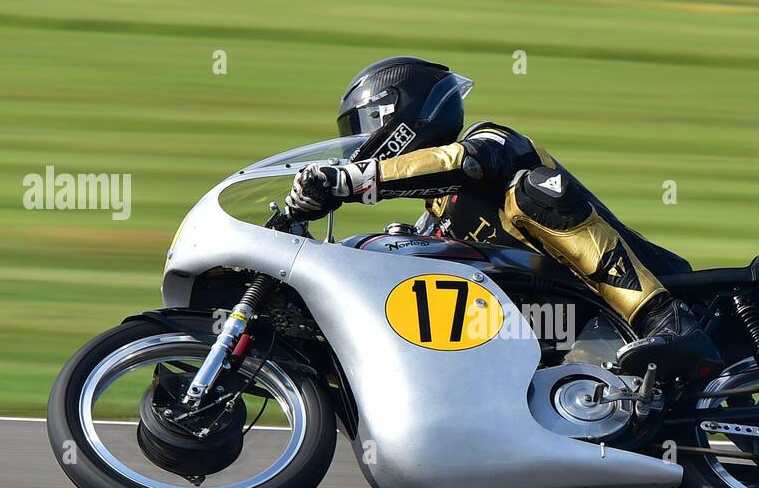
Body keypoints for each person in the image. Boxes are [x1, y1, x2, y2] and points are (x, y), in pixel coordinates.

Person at [286, 56, 721, 378]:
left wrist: (349, 179)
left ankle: (665, 318)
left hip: (644, 291)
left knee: (532, 191)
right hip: (561, 329)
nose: (360, 143)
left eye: (364, 126)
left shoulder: (490, 141)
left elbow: (461, 163)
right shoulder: (437, 218)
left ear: (395, 115)